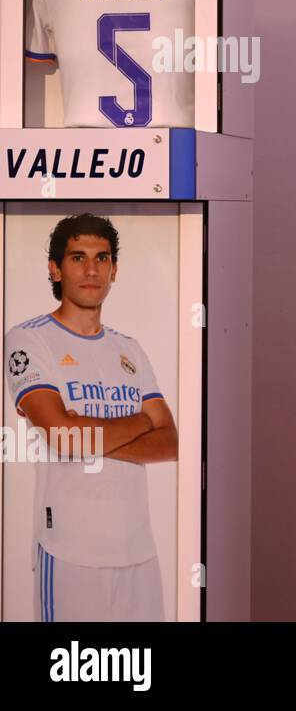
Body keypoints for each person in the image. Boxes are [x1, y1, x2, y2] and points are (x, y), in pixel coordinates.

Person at [3, 213, 178, 621]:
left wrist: (89, 431)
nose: (91, 269)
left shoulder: (129, 349)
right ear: (55, 268)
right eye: (78, 257)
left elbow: (171, 442)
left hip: (139, 554)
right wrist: (138, 421)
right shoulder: (28, 339)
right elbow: (63, 437)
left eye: (102, 259)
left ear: (114, 270)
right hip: (69, 553)